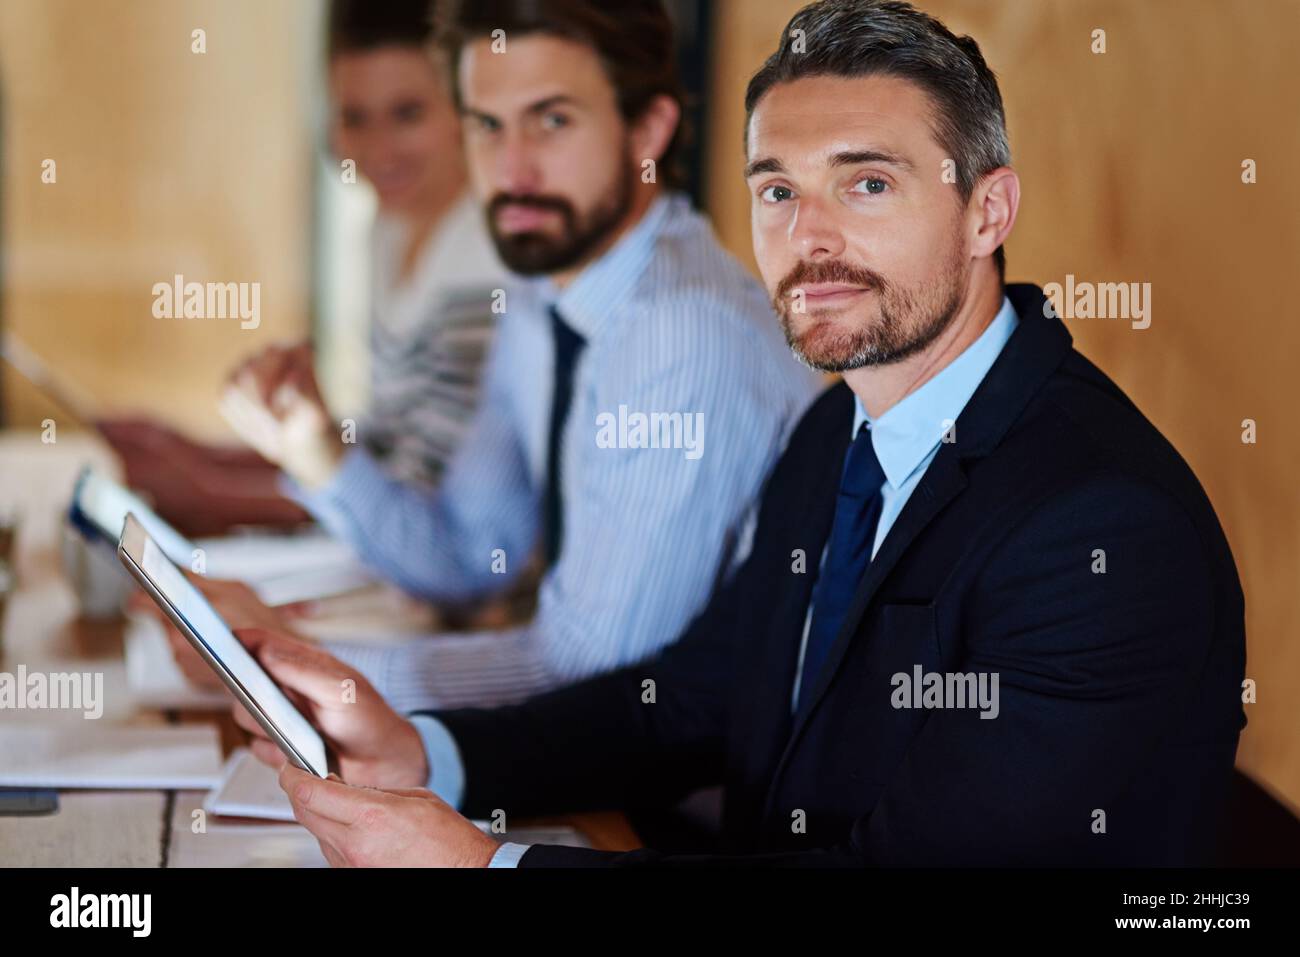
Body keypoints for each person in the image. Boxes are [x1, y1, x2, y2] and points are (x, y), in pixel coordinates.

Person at [232, 0, 1246, 867]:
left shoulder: (1098, 530)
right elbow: (692, 699)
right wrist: (429, 754)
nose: (809, 238)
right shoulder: (839, 429)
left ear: (988, 212)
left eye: (867, 183)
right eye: (777, 191)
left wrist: (485, 864)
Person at [163, 0, 818, 717]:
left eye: (552, 120)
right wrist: (315, 451)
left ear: (647, 131)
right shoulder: (539, 292)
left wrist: (290, 660)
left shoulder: (681, 335)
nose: (512, 169)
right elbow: (471, 553)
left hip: (692, 780)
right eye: (486, 125)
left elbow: (589, 672)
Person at [98, 0, 505, 535]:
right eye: (354, 117)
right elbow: (386, 445)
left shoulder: (485, 258)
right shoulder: (387, 229)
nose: (378, 149)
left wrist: (207, 493)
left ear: (466, 111)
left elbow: (418, 493)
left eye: (407, 114)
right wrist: (198, 453)